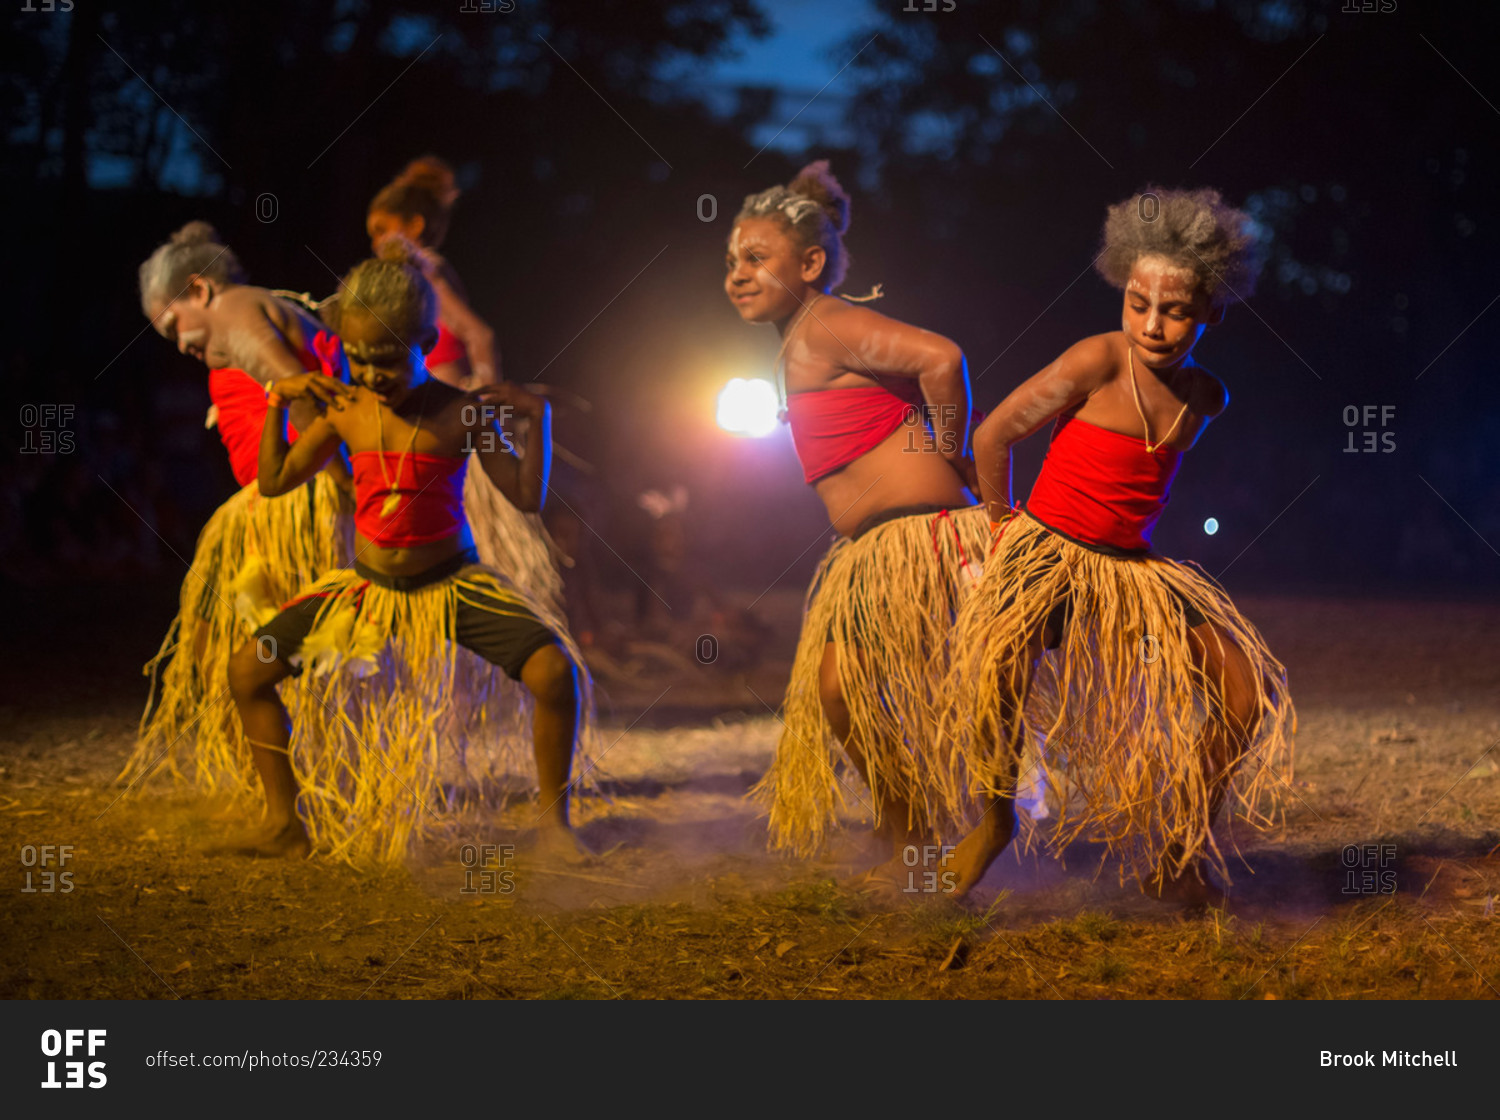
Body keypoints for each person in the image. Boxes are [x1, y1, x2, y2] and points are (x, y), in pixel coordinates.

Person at [944, 187, 1294, 904]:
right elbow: (992, 436)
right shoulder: (1096, 360)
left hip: (1132, 571)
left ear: (1212, 313)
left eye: (1176, 310)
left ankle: (1178, 847)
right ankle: (993, 823)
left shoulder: (1205, 398)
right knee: (998, 671)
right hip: (1047, 553)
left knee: (1246, 689)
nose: (1154, 324)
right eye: (1139, 303)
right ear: (1121, 291)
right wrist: (1000, 523)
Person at [225, 239, 592, 862]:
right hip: (366, 585)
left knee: (554, 673)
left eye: (389, 360)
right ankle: (284, 822)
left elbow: (526, 498)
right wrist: (275, 406)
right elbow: (275, 481)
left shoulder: (463, 414)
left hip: (453, 583)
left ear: (425, 343)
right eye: (359, 359)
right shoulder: (343, 410)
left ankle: (555, 826)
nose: (372, 374)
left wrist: (540, 421)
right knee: (247, 670)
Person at [725, 161, 988, 890]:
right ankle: (913, 829)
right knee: (851, 691)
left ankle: (916, 835)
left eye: (756, 259)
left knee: (843, 689)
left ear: (810, 263)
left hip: (920, 537)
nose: (738, 274)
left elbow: (943, 357)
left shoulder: (826, 322)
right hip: (877, 547)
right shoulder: (801, 337)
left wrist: (948, 447)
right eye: (732, 262)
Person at [128, 222, 353, 795]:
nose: (179, 344)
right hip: (281, 504)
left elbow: (295, 385)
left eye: (174, 325)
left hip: (289, 506)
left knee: (222, 652)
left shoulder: (231, 310)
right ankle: (288, 793)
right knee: (227, 647)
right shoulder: (261, 305)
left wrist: (344, 487)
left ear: (199, 291)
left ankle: (286, 803)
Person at [367, 156, 563, 616]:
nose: (374, 242)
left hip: (452, 422)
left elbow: (479, 334)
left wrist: (486, 404)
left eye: (381, 229)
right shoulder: (411, 274)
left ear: (413, 225)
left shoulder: (424, 268)